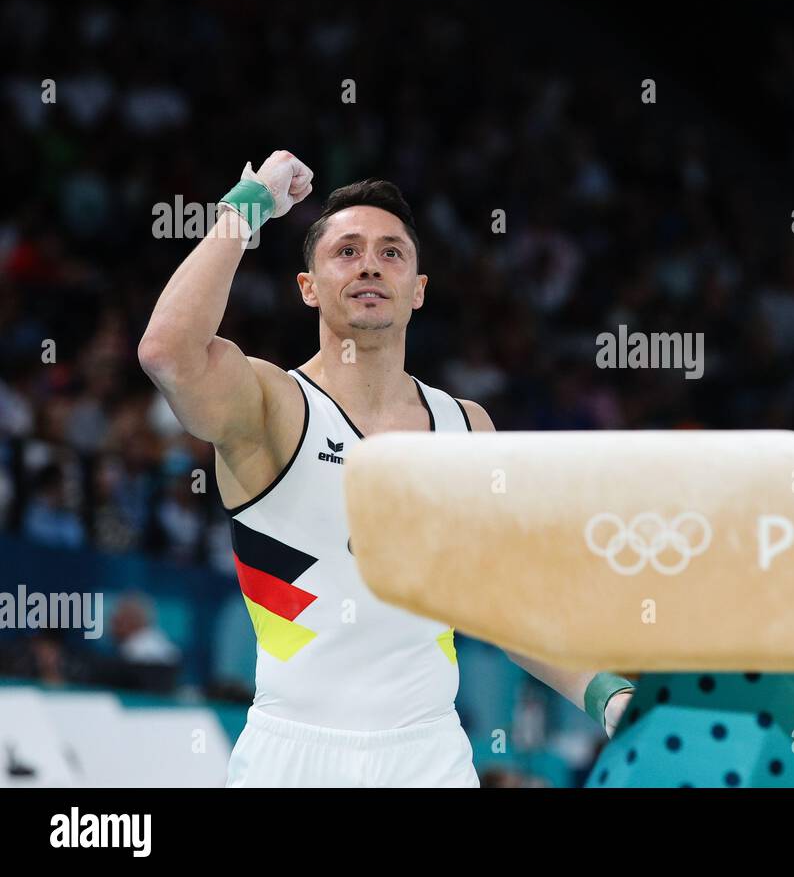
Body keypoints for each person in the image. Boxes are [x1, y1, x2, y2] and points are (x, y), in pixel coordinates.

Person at [138, 150, 634, 786]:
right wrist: (249, 206)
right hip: (292, 758)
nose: (370, 262)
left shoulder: (466, 427)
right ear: (307, 287)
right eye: (346, 250)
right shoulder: (268, 406)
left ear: (417, 290)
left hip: (427, 758)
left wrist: (611, 698)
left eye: (392, 252)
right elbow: (167, 353)